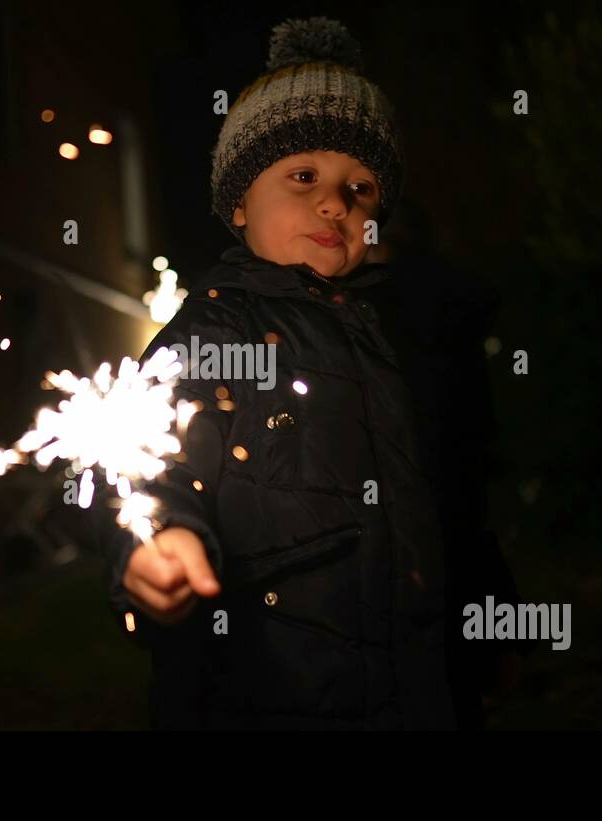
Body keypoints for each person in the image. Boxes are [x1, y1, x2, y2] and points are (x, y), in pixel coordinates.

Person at [101, 17, 525, 730]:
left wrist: (491, 611)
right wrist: (161, 534)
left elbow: (452, 494)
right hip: (264, 693)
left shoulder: (402, 335)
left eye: (361, 187)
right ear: (240, 201)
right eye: (304, 177)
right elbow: (155, 464)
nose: (336, 202)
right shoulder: (215, 330)